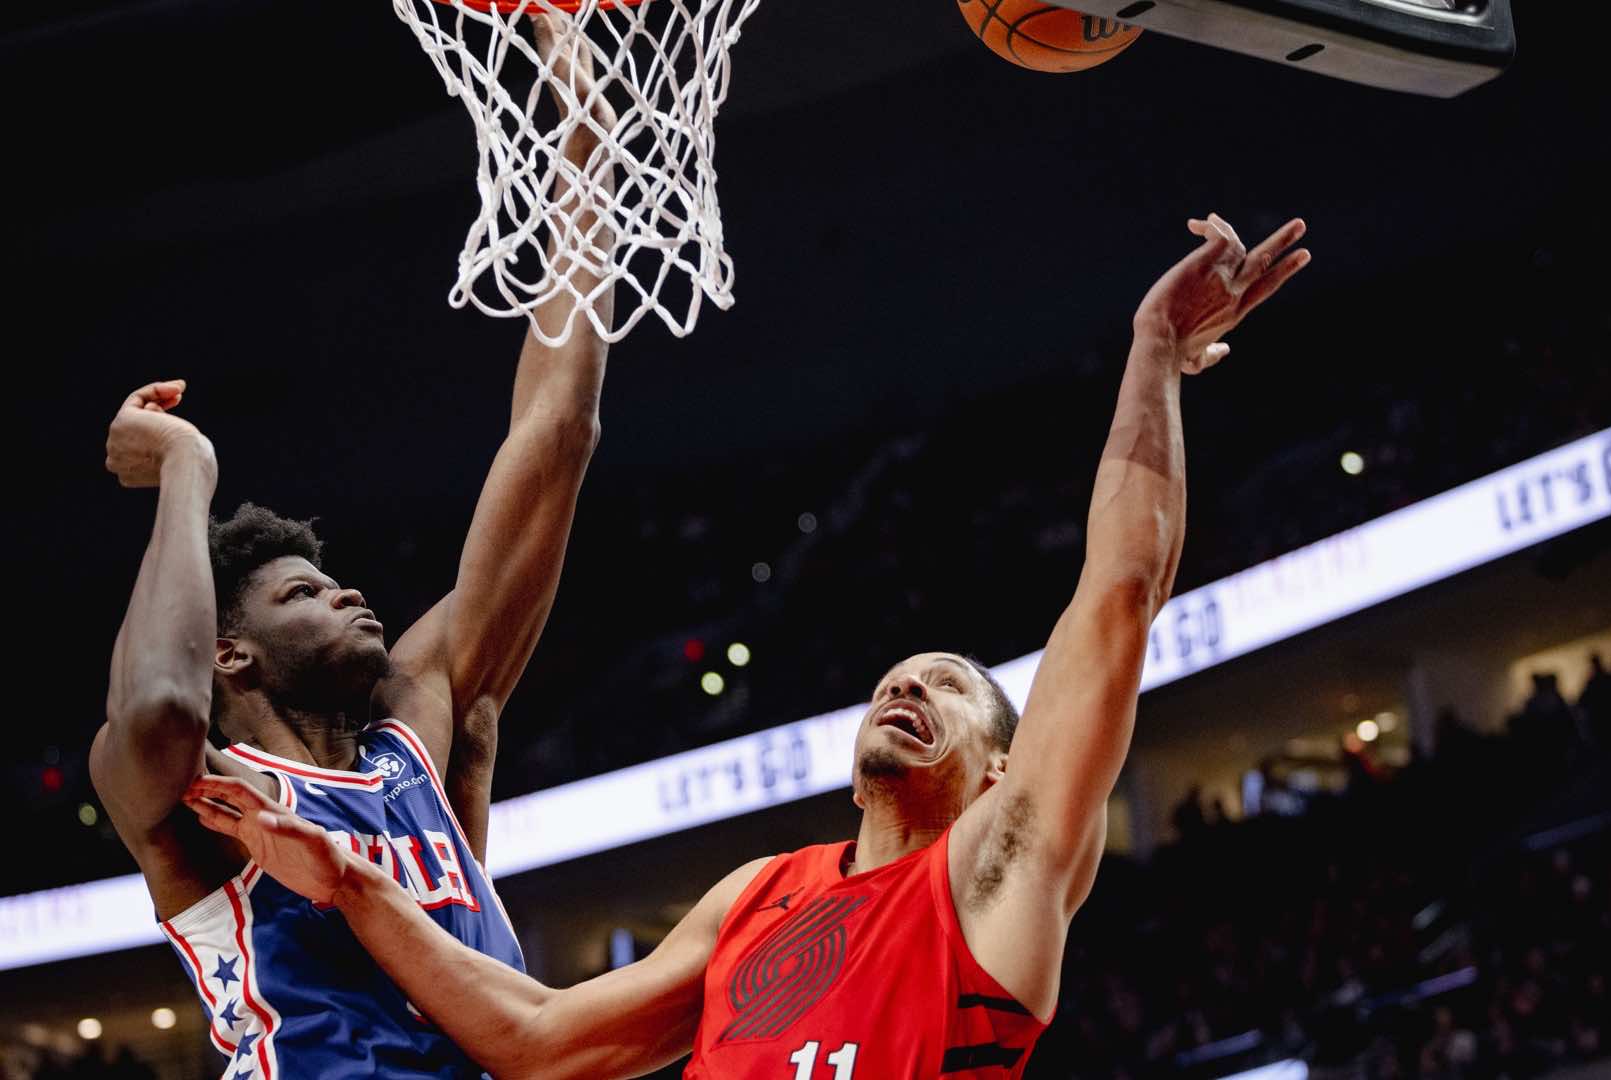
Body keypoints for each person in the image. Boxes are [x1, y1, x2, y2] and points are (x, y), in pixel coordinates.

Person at [185, 212, 1311, 1079]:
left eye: (954, 683)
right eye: (896, 673)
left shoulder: (995, 873)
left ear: (1005, 769)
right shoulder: (759, 895)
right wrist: (347, 882)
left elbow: (1119, 592)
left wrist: (1152, 358)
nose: (908, 681)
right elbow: (536, 1038)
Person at [91, 16, 614, 1078]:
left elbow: (556, 431)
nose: (349, 595)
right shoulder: (206, 800)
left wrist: (584, 133)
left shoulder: (423, 725)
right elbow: (156, 706)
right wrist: (189, 468)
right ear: (230, 652)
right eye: (303, 594)